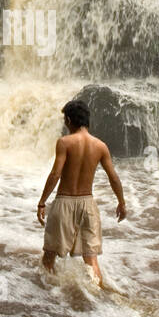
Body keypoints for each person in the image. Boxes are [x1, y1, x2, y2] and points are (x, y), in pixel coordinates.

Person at [37, 99, 127, 287]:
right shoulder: (101, 146)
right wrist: (122, 202)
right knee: (91, 259)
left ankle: (48, 299)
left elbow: (55, 174)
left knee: (49, 257)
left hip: (64, 202)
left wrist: (42, 202)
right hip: (88, 205)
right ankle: (96, 299)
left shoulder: (65, 142)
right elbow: (114, 178)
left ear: (69, 120)